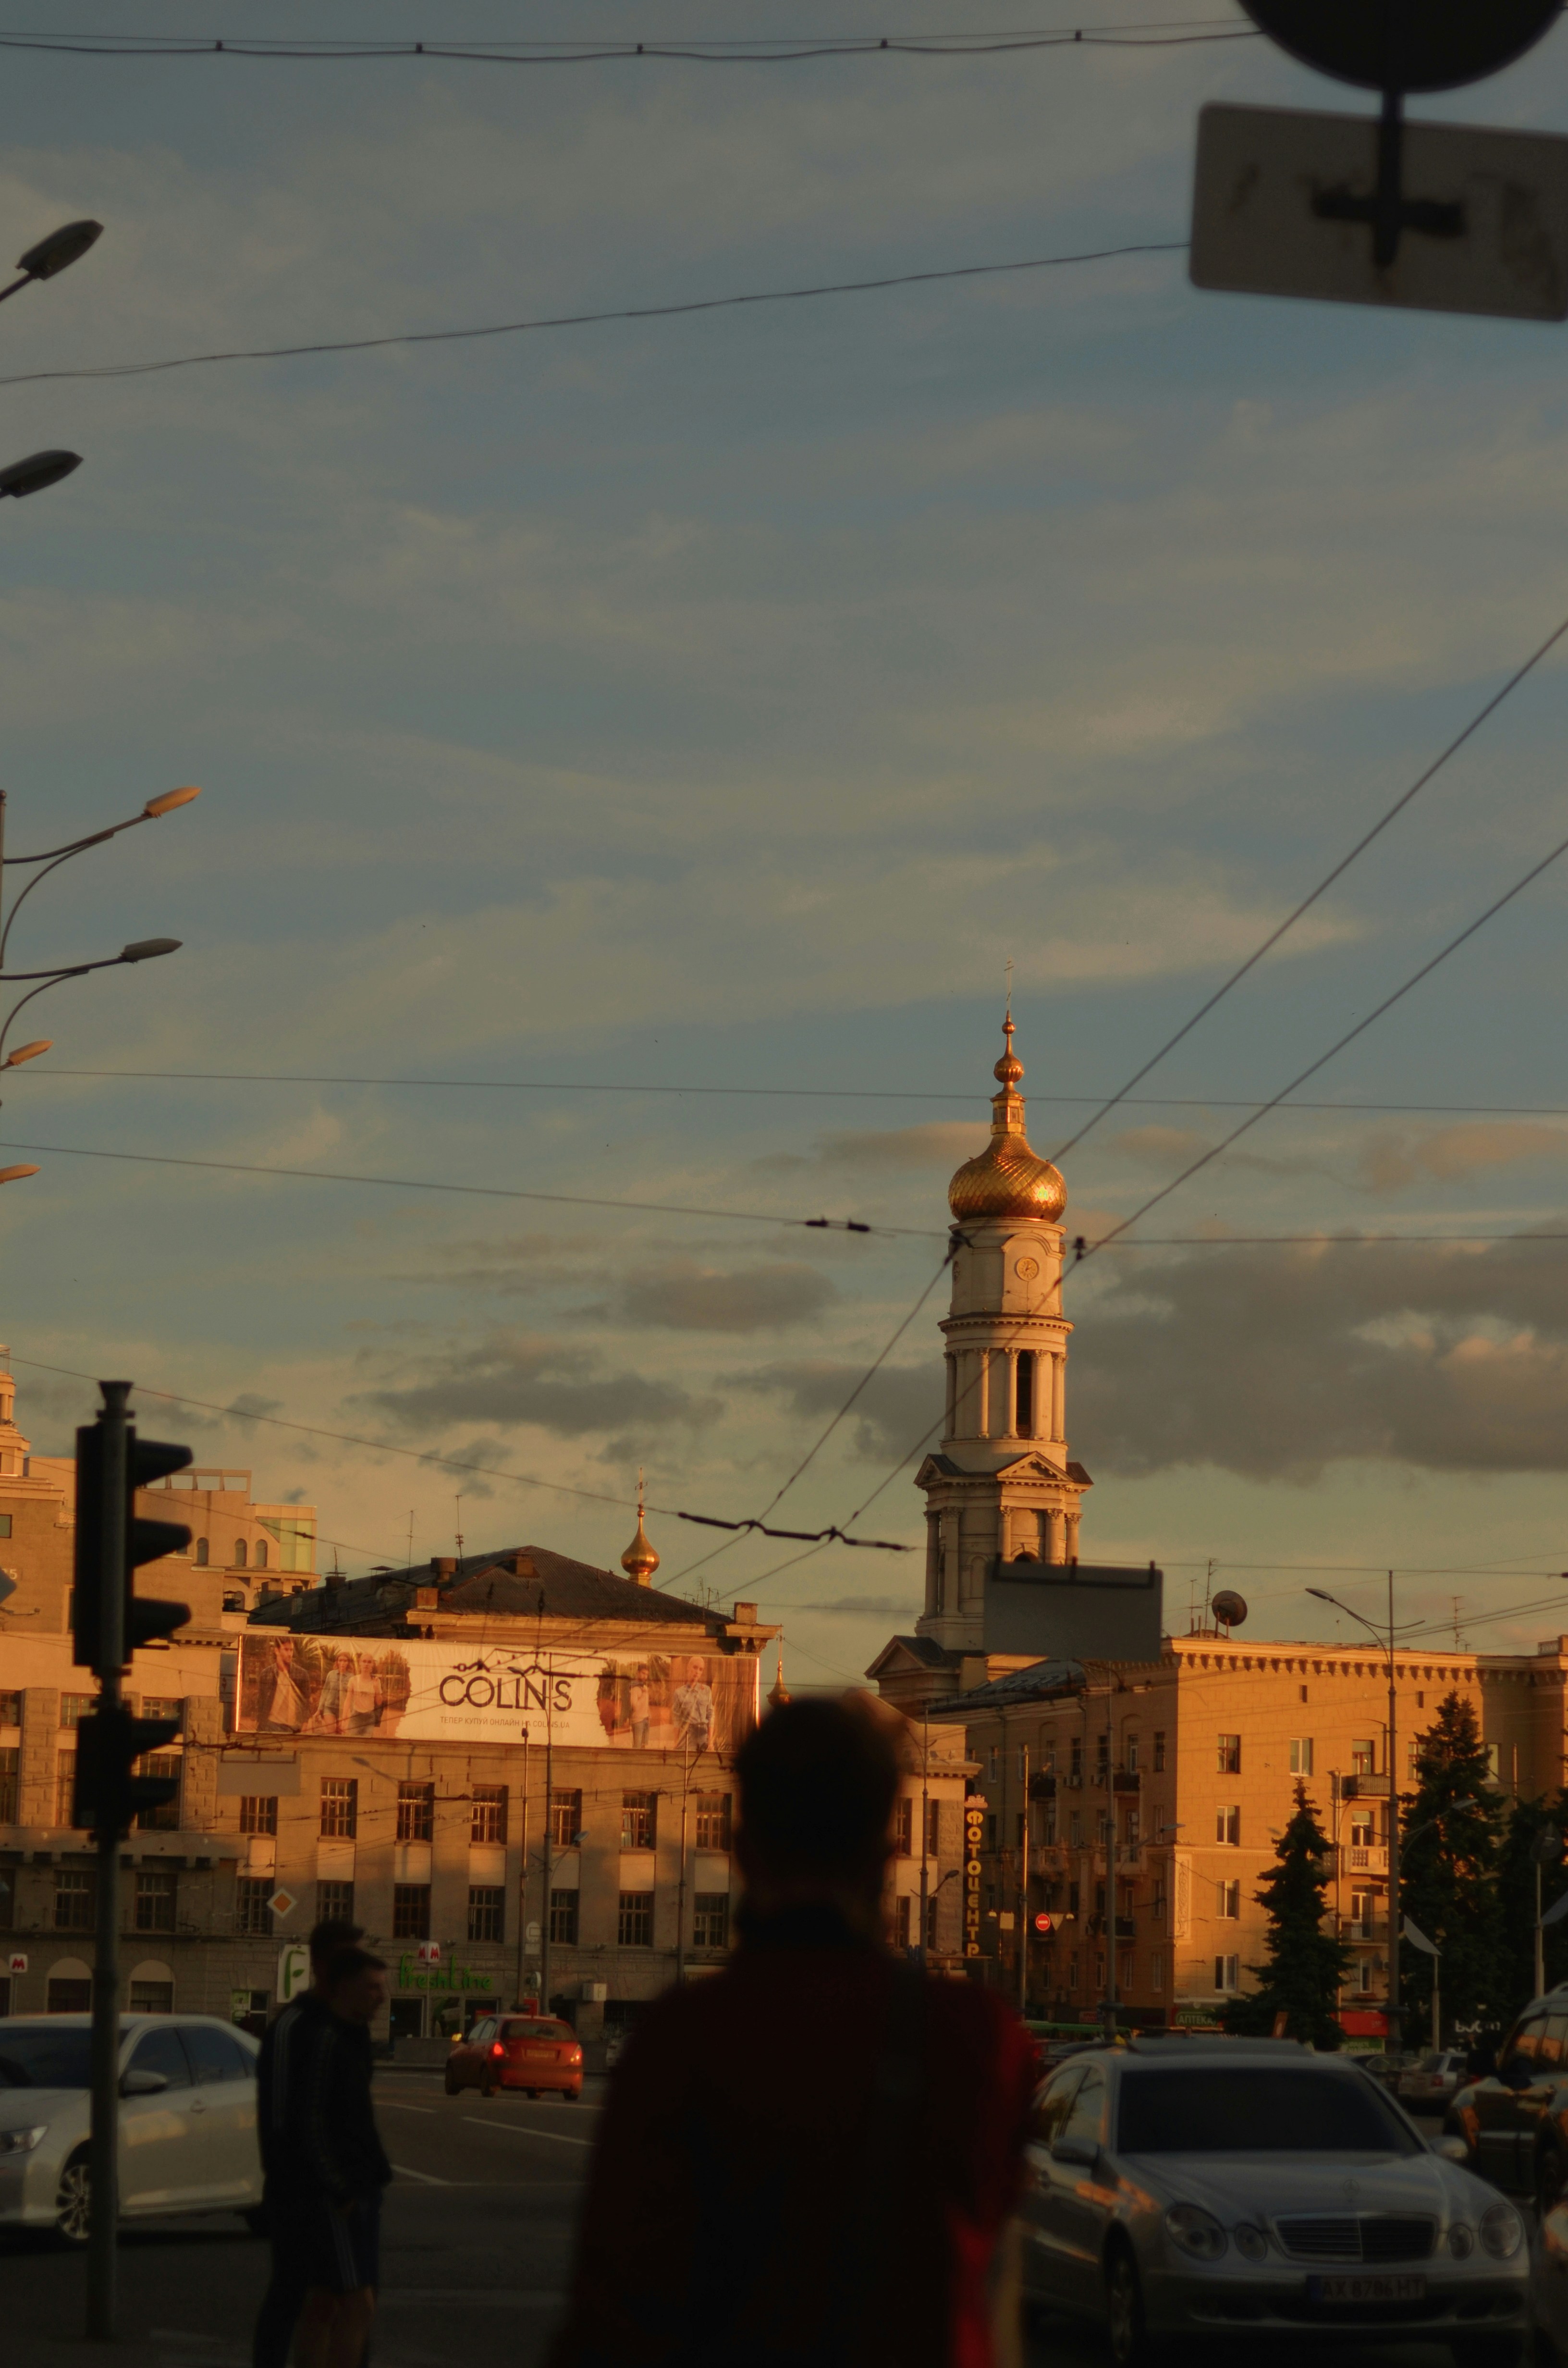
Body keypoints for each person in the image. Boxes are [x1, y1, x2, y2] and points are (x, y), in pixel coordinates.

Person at [547, 1696, 1036, 2368]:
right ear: (886, 1853)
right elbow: (994, 2289)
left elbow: (612, 2313)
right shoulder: (979, 2039)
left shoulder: (681, 2042)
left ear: (746, 1851)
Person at [252, 1919, 367, 2368]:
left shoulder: (345, 2027)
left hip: (345, 2195)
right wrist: (301, 2189)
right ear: (320, 1966)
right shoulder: (294, 2028)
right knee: (293, 2299)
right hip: (302, 2196)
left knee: (347, 2303)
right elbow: (283, 2124)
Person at [671, 1655, 713, 1754]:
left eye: (701, 1669)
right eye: (695, 1667)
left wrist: (710, 1741)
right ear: (688, 1667)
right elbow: (677, 1720)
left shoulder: (706, 1691)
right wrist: (676, 1742)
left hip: (703, 1736)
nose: (697, 1672)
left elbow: (711, 1715)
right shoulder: (679, 1693)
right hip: (688, 1736)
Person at [628, 1665, 651, 1750]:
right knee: (637, 1747)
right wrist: (644, 1694)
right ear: (638, 1673)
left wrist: (649, 1714)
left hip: (645, 1719)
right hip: (638, 1721)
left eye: (647, 1674)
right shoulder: (634, 1688)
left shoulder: (644, 1687)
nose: (645, 1676)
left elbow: (646, 1703)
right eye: (643, 1673)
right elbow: (635, 1707)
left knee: (643, 1746)